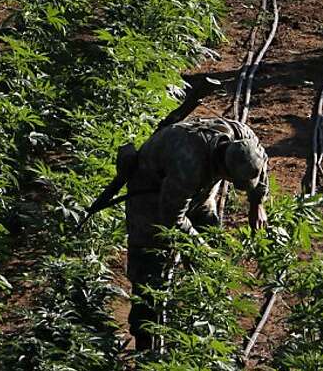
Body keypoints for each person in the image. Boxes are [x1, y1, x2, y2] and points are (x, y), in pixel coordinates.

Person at [115, 116, 269, 351]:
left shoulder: (242, 136)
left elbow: (261, 161)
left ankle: (198, 324)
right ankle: (146, 349)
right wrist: (201, 249)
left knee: (213, 258)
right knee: (150, 275)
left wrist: (257, 202)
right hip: (150, 198)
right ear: (223, 169)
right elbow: (172, 219)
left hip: (198, 196)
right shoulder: (189, 165)